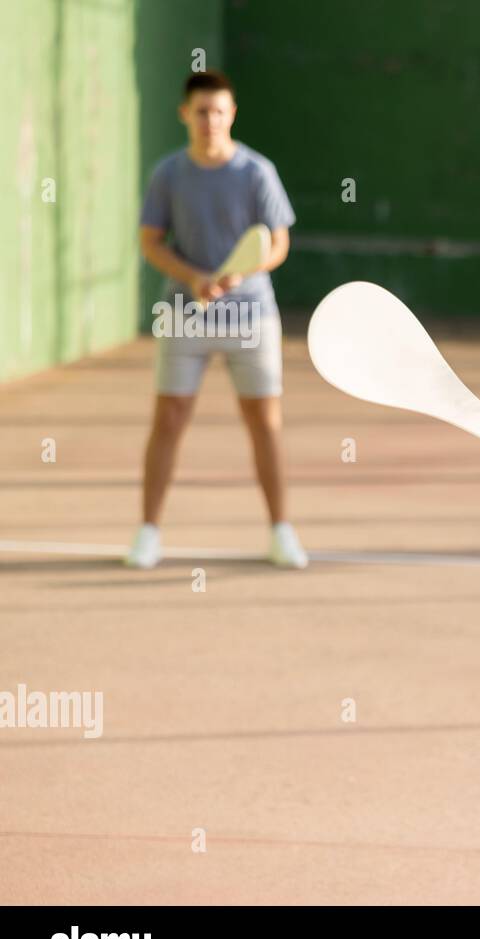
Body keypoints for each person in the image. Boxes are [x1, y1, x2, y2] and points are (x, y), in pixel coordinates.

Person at [126, 70, 306, 569]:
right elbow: (150, 242)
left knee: (264, 424)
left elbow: (278, 245)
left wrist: (242, 271)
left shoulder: (257, 173)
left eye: (220, 111)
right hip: (183, 316)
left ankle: (280, 532)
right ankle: (148, 533)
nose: (211, 121)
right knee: (169, 419)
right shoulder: (168, 174)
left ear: (232, 114)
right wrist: (194, 277)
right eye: (202, 112)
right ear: (186, 114)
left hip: (253, 318)